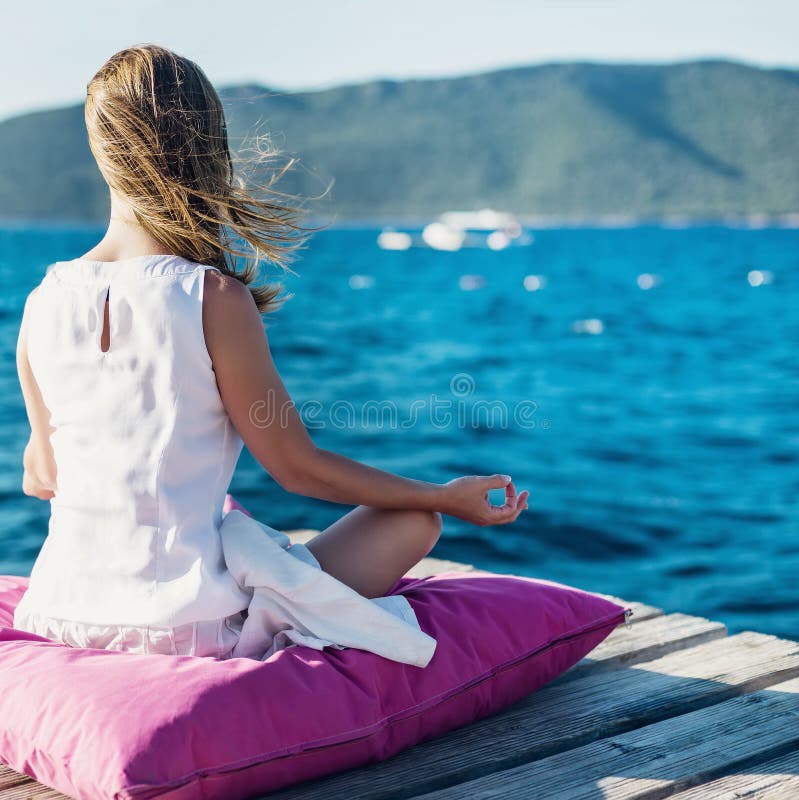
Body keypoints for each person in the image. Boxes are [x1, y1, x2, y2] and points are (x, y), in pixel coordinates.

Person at [13, 44, 528, 664]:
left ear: (101, 154)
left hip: (59, 613)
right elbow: (297, 469)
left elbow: (42, 476)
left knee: (242, 532)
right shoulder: (209, 297)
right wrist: (444, 496)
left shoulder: (43, 300)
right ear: (208, 145)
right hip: (184, 628)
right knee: (415, 521)